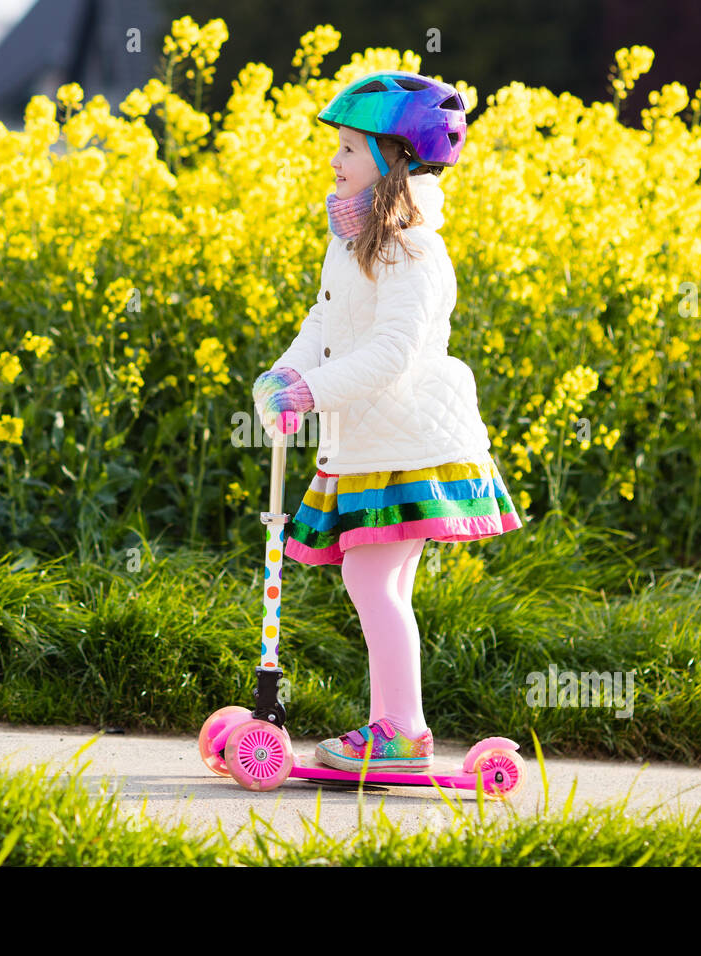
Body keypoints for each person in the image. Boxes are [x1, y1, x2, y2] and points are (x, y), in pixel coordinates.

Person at [252, 71, 524, 773]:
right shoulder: (349, 243)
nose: (334, 159)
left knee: (372, 583)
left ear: (395, 159)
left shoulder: (413, 248)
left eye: (349, 147)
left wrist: (312, 391)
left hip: (409, 441)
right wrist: (286, 375)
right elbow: (325, 323)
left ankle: (401, 733)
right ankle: (397, 726)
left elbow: (392, 351)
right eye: (337, 146)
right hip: (369, 439)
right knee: (379, 584)